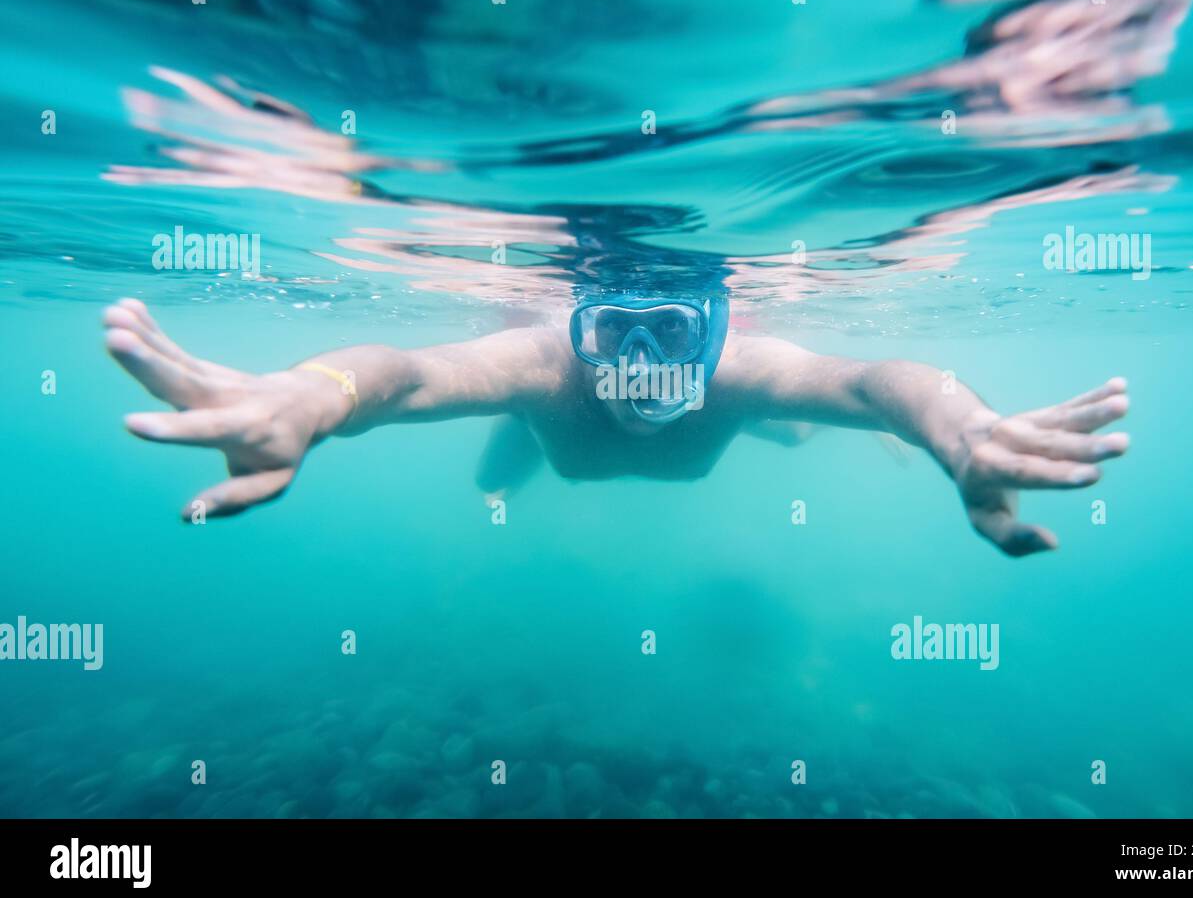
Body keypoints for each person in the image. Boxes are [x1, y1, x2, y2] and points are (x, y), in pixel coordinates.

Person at [102, 287, 1128, 557]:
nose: (638, 365)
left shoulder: (744, 368)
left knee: (801, 416)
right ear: (577, 328)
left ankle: (782, 426)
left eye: (671, 332)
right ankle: (532, 447)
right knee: (496, 479)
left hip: (732, 418)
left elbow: (871, 385)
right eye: (613, 333)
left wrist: (952, 425)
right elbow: (408, 375)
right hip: (557, 430)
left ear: (716, 326)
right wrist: (317, 394)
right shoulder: (544, 364)